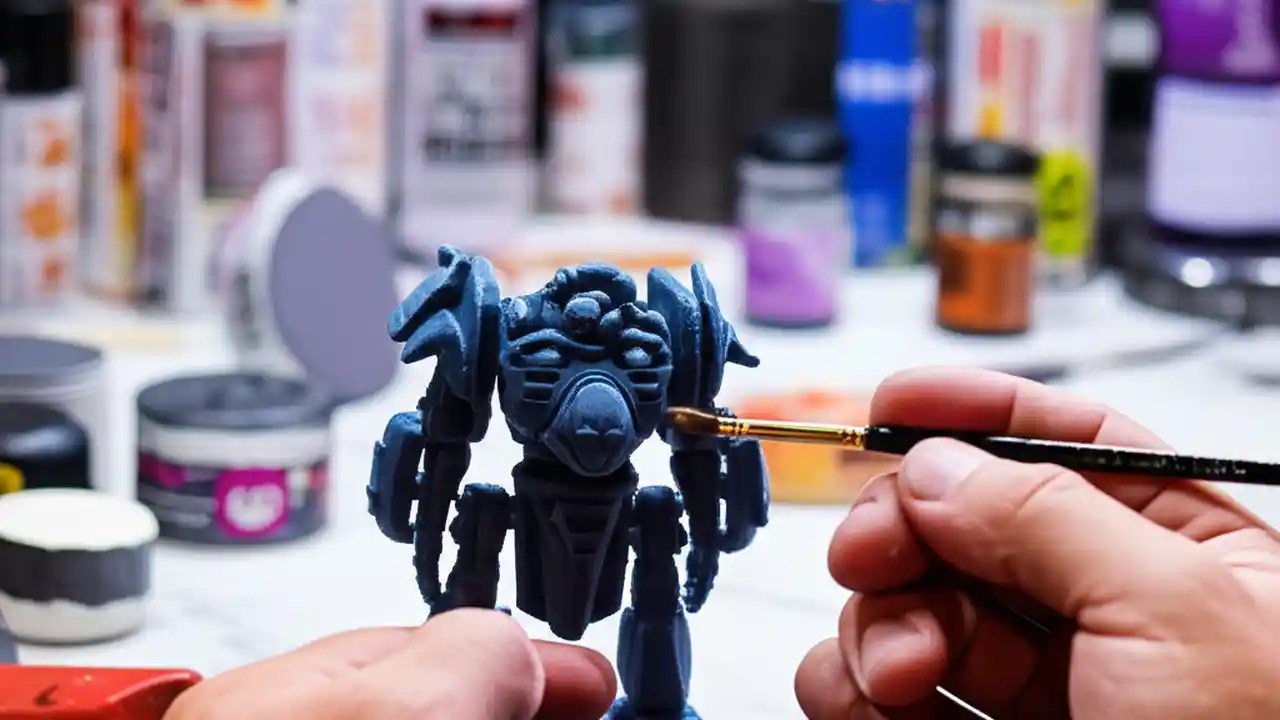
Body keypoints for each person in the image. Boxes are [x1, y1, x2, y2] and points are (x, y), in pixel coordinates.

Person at [165, 368, 1280, 719]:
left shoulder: (669, 463)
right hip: (517, 591)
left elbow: (709, 526)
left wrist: (703, 546)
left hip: (627, 580)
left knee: (653, 591)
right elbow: (447, 534)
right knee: (474, 601)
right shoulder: (499, 466)